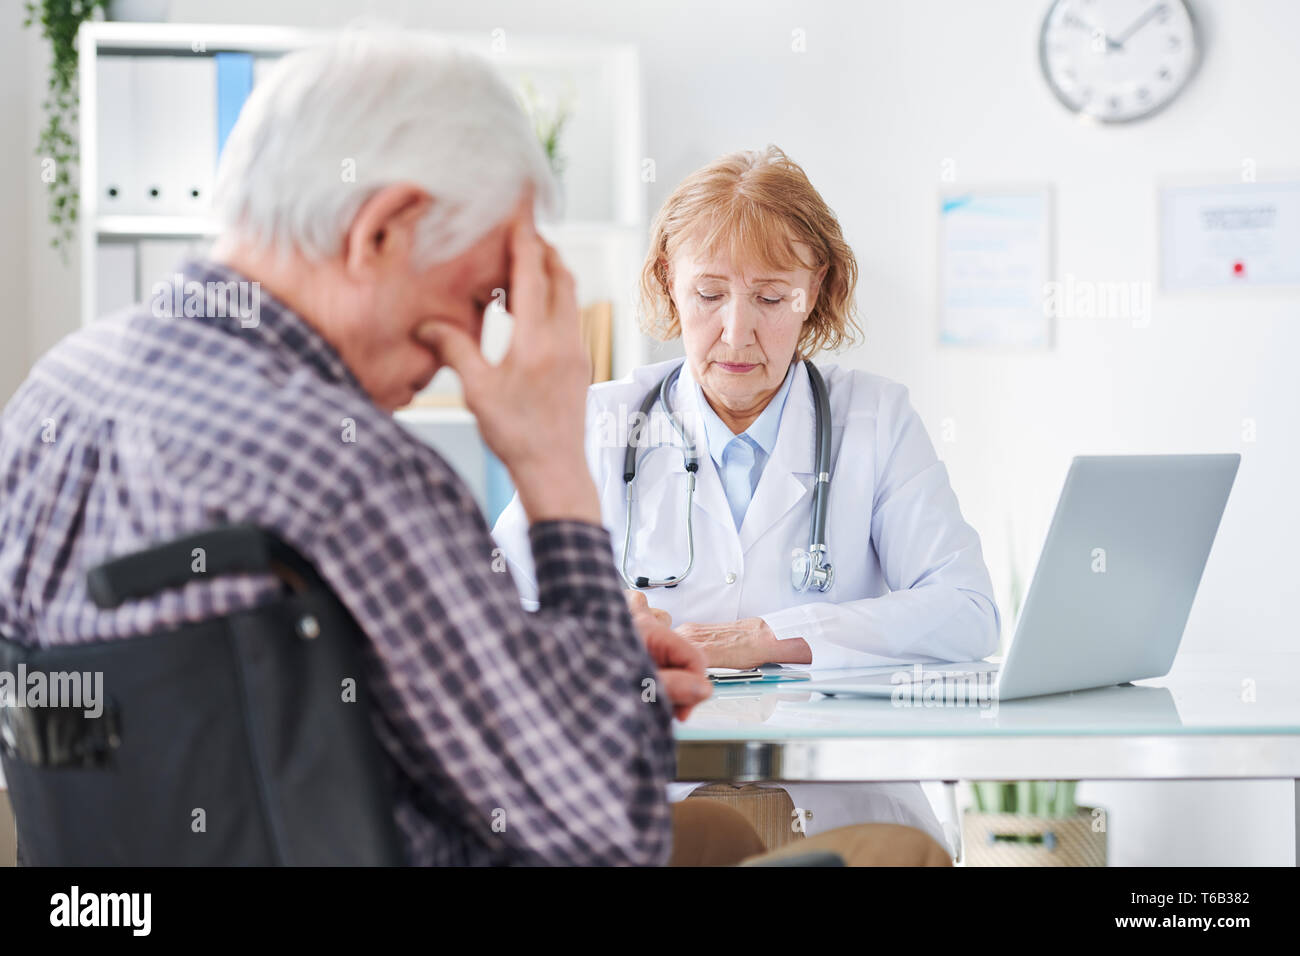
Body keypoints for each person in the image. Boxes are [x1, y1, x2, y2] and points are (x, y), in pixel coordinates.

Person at [0, 32, 943, 866]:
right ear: (383, 232)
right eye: (484, 290)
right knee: (893, 853)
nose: (482, 337)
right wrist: (552, 470)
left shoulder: (51, 400)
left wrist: (571, 652)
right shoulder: (356, 475)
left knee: (728, 835)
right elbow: (604, 828)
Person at [492, 145, 1001, 851]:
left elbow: (966, 614)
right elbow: (494, 605)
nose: (737, 332)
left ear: (815, 290)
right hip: (647, 801)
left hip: (842, 806)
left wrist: (769, 638)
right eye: (708, 295)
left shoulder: (875, 421)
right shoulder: (600, 421)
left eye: (770, 297)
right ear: (669, 284)